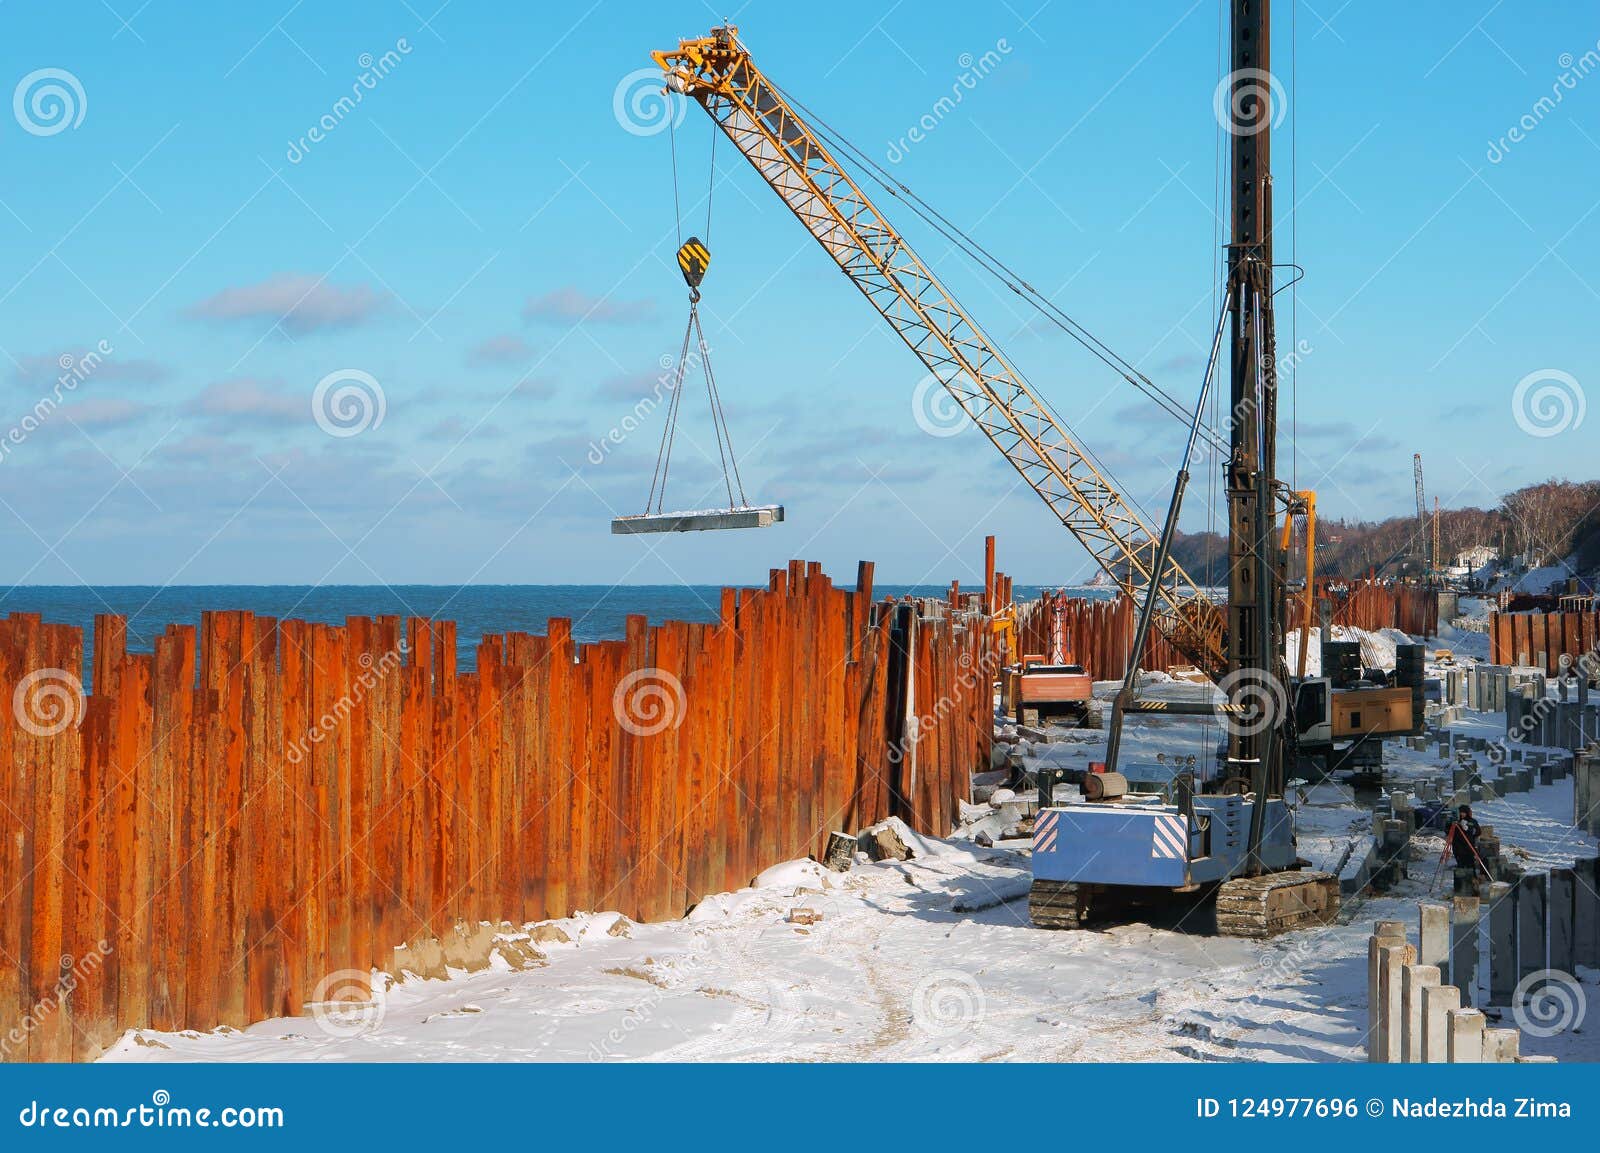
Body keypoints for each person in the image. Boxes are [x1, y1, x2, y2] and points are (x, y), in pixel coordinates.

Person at [1450, 805, 1485, 877]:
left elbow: (1478, 832)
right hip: (1458, 847)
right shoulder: (1456, 822)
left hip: (1469, 847)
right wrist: (1450, 824)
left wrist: (1468, 828)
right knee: (1461, 866)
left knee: (1470, 865)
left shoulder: (1472, 821)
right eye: (1460, 812)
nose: (1461, 814)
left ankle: (1472, 879)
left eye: (1463, 812)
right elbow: (1448, 832)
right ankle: (1461, 881)